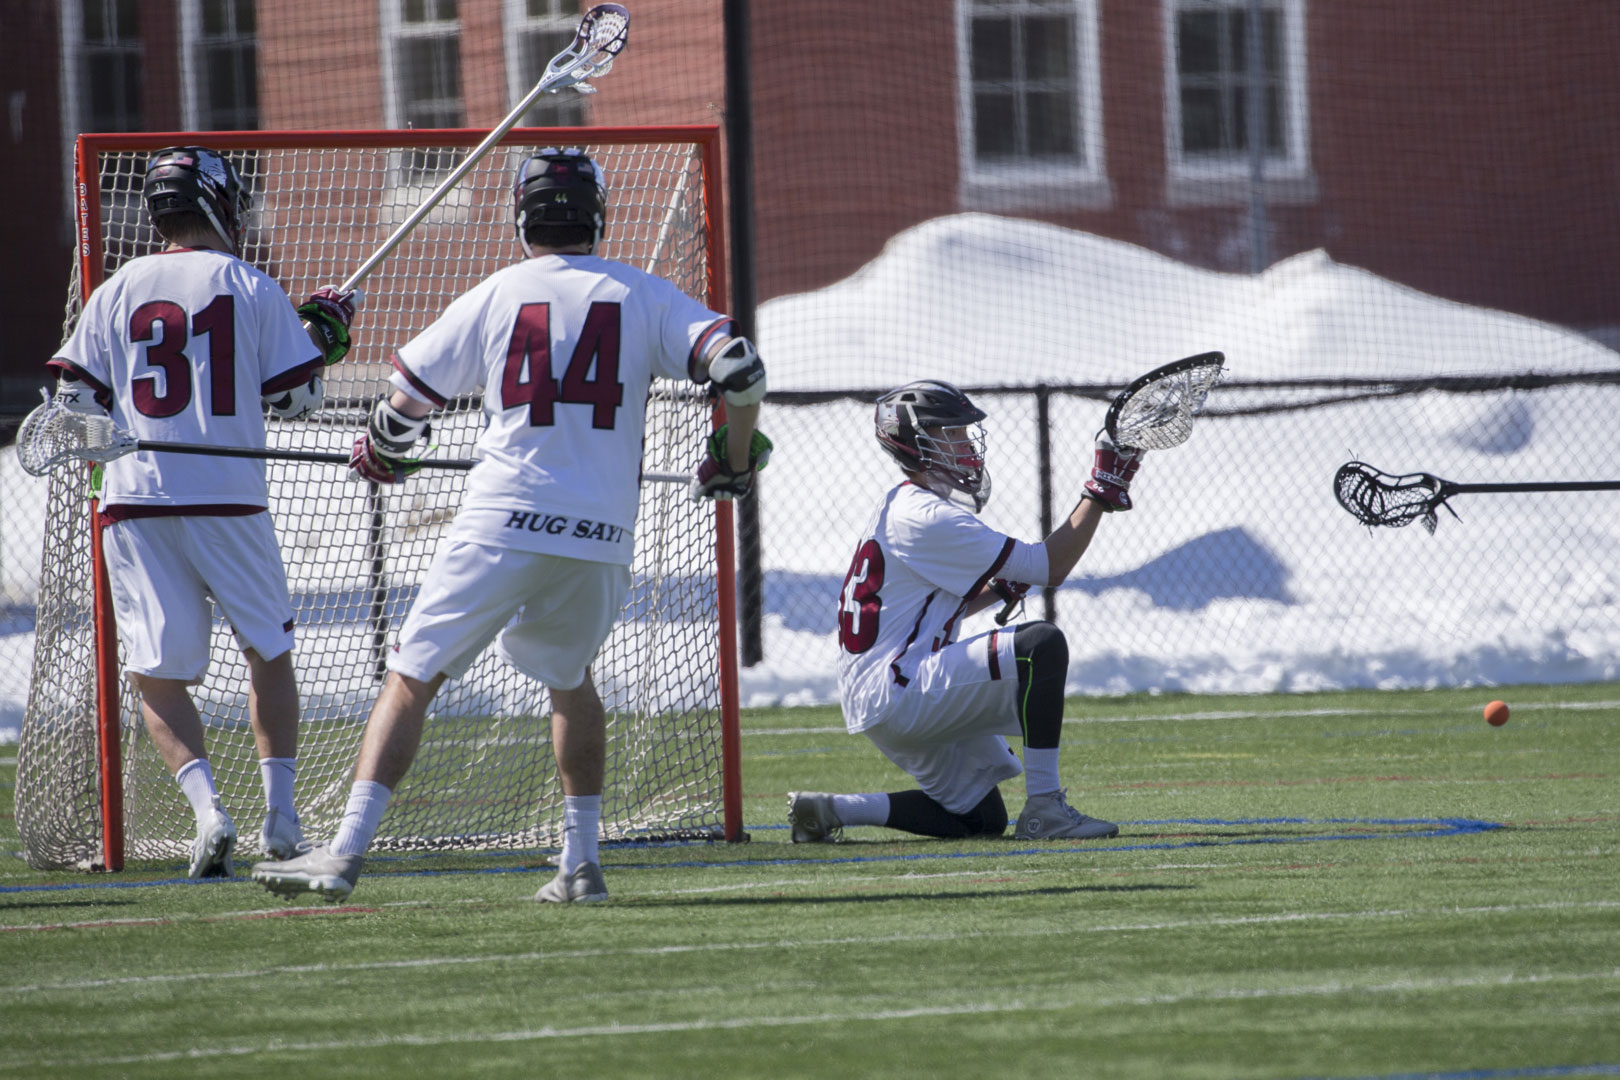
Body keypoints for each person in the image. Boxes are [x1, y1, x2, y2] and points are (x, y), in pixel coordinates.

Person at [251, 147, 768, 904]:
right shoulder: (646, 295)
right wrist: (732, 453)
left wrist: (385, 452)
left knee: (411, 678)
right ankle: (581, 864)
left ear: (521, 216)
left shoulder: (496, 293)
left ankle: (344, 851)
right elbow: (741, 369)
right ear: (596, 214)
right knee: (571, 680)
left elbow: (402, 408)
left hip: (503, 519)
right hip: (600, 532)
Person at [46, 145, 359, 877]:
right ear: (221, 202)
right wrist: (323, 337)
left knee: (158, 672)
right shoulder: (248, 284)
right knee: (268, 650)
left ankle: (209, 812)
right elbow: (296, 397)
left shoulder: (120, 286)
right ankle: (281, 818)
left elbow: (73, 405)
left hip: (134, 500)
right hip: (229, 496)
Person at [788, 380, 1139, 845]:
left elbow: (927, 609)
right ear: (916, 442)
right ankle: (1046, 808)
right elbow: (1051, 566)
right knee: (1040, 646)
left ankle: (832, 809)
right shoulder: (928, 515)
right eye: (951, 433)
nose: (966, 444)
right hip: (899, 689)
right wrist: (1099, 490)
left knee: (980, 819)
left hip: (879, 694)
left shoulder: (902, 505)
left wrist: (998, 590)